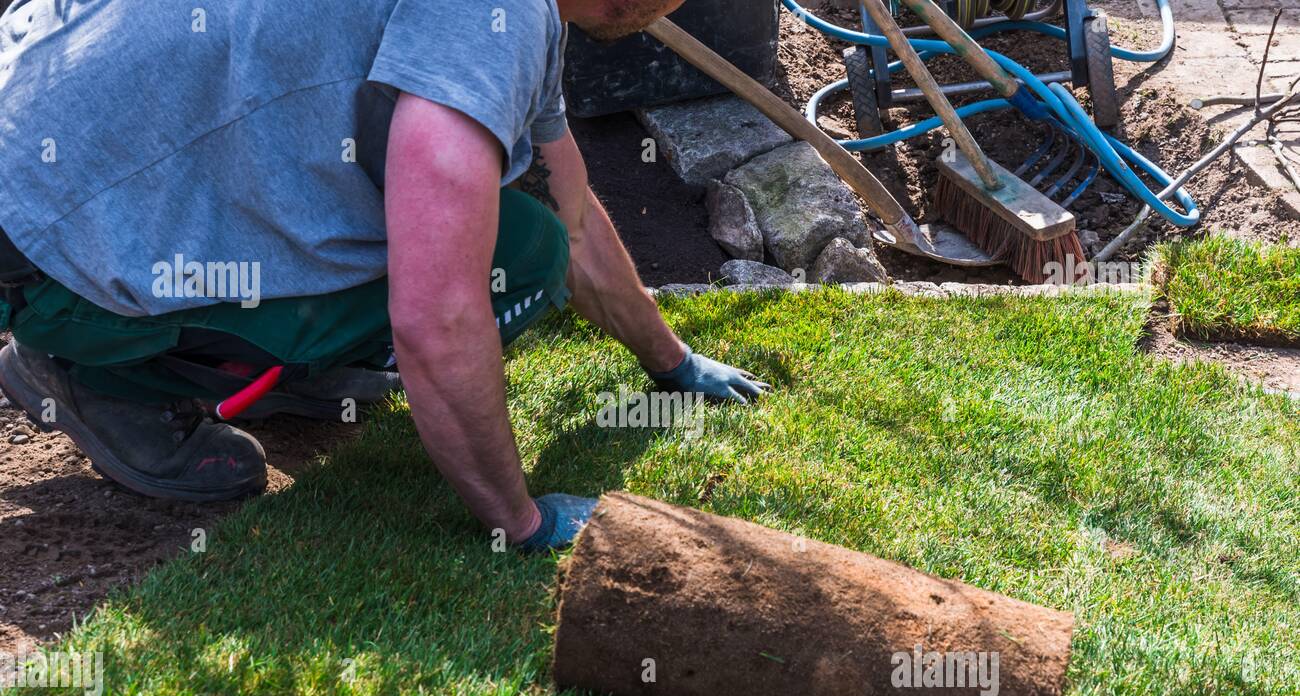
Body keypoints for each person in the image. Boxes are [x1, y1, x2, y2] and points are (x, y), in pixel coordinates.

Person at [0, 0, 768, 551]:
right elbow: (436, 318)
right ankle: (106, 378)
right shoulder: (489, 20)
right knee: (509, 254)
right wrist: (520, 520)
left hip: (37, 105)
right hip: (44, 240)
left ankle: (284, 361)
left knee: (525, 239)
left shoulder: (519, 18)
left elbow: (576, 222)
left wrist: (672, 361)